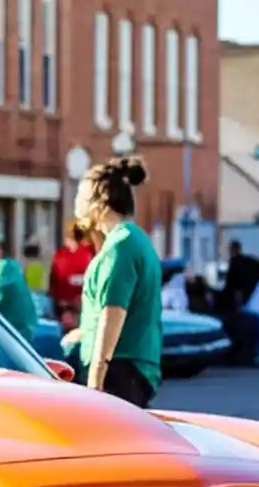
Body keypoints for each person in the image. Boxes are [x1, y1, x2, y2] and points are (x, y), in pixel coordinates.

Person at [65, 156, 162, 408]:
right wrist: (83, 334)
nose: (77, 203)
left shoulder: (121, 245)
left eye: (81, 196)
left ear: (100, 203)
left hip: (119, 373)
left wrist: (95, 382)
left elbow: (112, 314)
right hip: (125, 370)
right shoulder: (131, 240)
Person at [49, 223, 94, 329]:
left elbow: (53, 284)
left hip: (66, 307)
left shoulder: (60, 256)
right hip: (83, 306)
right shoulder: (90, 253)